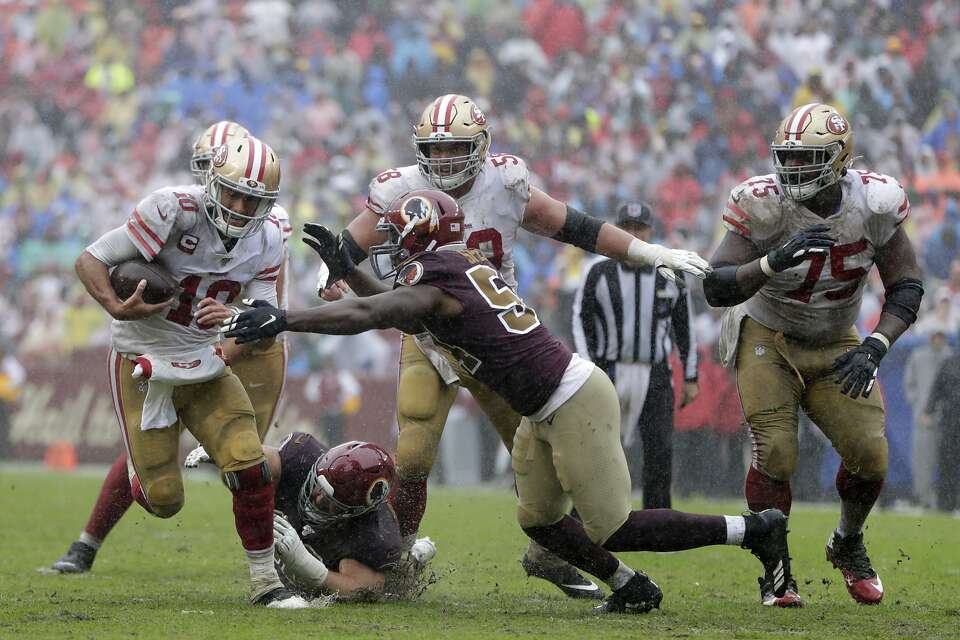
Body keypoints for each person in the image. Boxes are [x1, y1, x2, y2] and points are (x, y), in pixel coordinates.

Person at [223, 189, 794, 614]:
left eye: (398, 238)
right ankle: (630, 587)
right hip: (544, 405)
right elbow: (399, 306)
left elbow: (377, 312)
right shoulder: (455, 268)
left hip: (570, 397)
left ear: (421, 237)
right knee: (540, 520)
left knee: (612, 525)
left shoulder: (441, 275)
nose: (391, 248)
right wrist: (349, 269)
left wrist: (286, 317)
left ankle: (754, 531)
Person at [308, 93, 710, 599]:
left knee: (537, 459)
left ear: (481, 146)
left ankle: (550, 551)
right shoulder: (401, 188)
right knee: (411, 456)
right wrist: (331, 272)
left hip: (495, 341)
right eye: (437, 150)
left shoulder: (507, 182)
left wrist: (647, 251)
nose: (446, 160)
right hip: (430, 338)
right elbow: (350, 242)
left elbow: (578, 228)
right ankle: (399, 558)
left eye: (457, 148)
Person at [73, 133, 307, 609]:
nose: (241, 206)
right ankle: (142, 475)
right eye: (233, 192)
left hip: (204, 357)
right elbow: (90, 260)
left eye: (254, 199)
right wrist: (118, 306)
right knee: (164, 500)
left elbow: (264, 320)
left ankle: (266, 583)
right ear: (211, 183)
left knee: (248, 461)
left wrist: (236, 323)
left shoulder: (268, 237)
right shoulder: (171, 210)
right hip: (143, 356)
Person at [702, 103, 924, 606]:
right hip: (768, 333)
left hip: (837, 337)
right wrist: (769, 261)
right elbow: (715, 287)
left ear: (838, 160)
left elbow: (907, 285)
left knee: (871, 457)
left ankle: (846, 541)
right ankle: (775, 570)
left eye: (806, 159)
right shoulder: (763, 203)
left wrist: (876, 344)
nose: (792, 169)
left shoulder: (874, 202)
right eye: (788, 157)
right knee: (777, 453)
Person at [187, 431, 437, 599]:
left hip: (337, 558)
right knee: (254, 472)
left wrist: (309, 568)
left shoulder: (371, 534)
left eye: (329, 502)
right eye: (317, 486)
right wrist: (232, 460)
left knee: (393, 585)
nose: (315, 497)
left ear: (355, 512)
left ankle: (410, 559)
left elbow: (366, 588)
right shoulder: (302, 456)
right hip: (308, 528)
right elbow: (262, 459)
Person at [572, 201, 699, 507]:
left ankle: (658, 522)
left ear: (650, 232)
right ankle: (588, 517)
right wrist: (588, 368)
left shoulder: (668, 271)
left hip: (655, 371)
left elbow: (685, 328)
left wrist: (691, 376)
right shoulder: (597, 271)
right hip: (609, 370)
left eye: (638, 228)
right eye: (625, 228)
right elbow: (580, 319)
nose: (631, 234)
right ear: (614, 230)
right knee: (598, 448)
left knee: (659, 451)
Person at [903, 325, 953, 508]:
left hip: (948, 419)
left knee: (947, 461)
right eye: (935, 335)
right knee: (922, 461)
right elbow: (909, 385)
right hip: (922, 419)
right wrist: (919, 406)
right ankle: (923, 498)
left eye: (941, 335)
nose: (938, 339)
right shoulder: (918, 356)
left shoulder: (950, 357)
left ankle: (946, 499)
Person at [922, 343, 960, 512]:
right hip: (950, 421)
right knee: (947, 461)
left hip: (951, 419)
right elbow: (937, 388)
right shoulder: (950, 363)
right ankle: (947, 503)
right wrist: (928, 410)